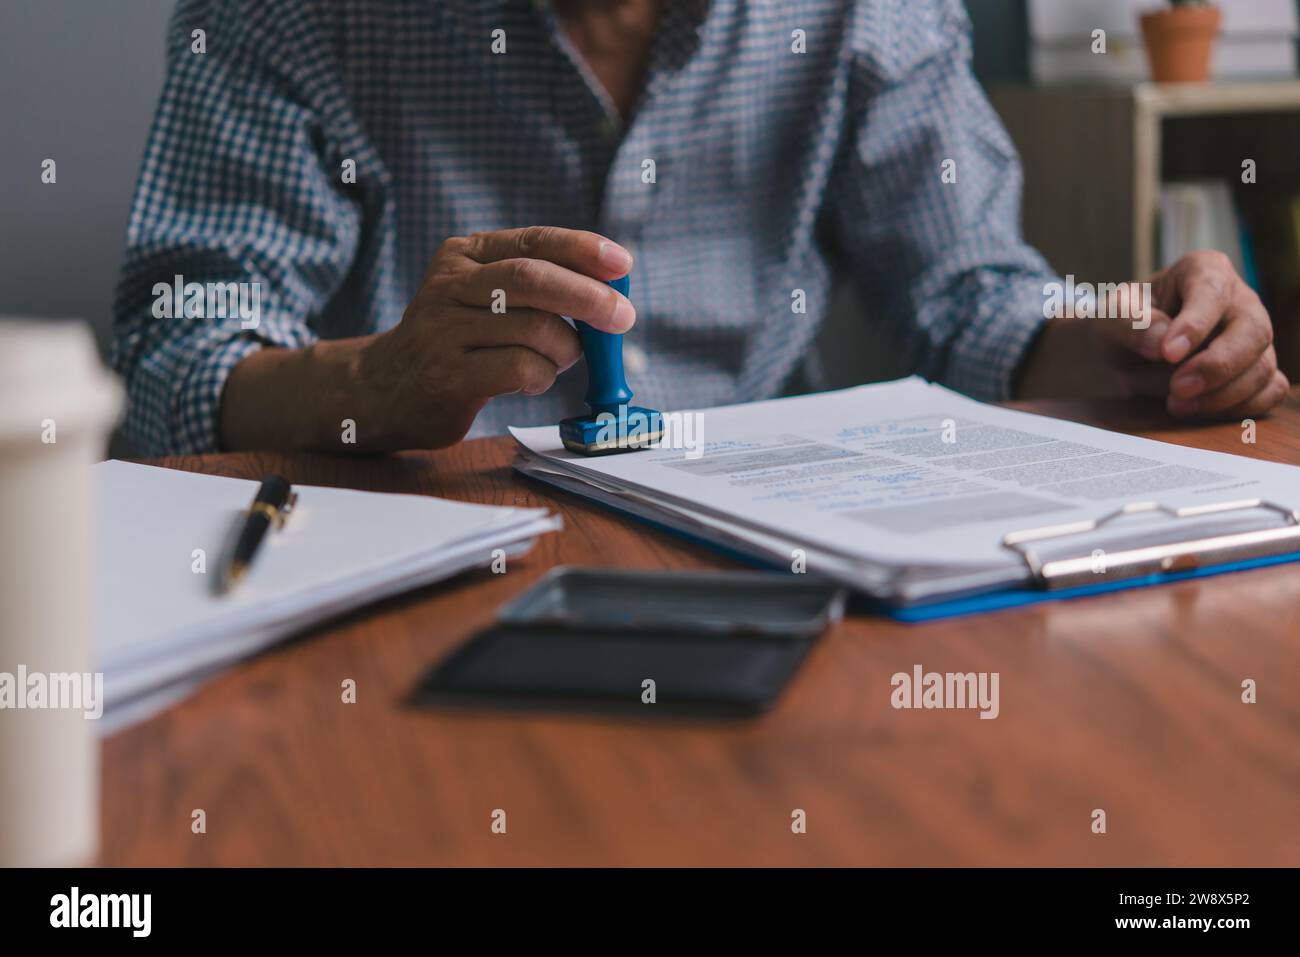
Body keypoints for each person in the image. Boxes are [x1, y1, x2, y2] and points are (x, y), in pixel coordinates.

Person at [111, 0, 1288, 456]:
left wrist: (1138, 341)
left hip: (760, 548)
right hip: (399, 533)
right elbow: (176, 365)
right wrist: (377, 376)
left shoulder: (862, 12)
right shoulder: (287, 16)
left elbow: (970, 300)